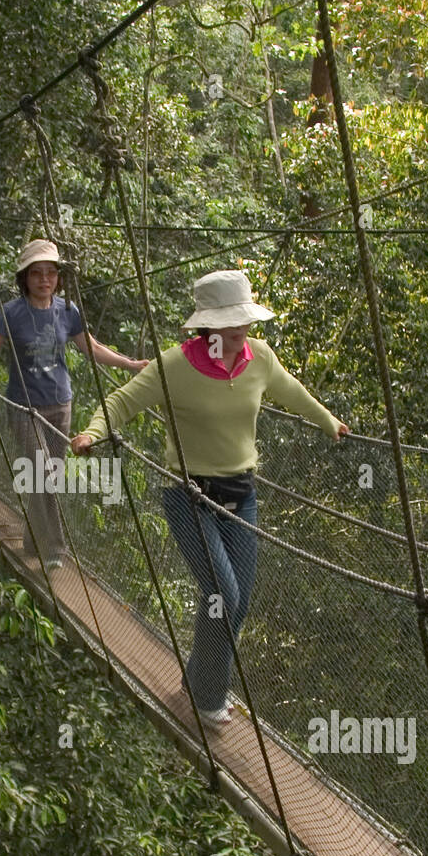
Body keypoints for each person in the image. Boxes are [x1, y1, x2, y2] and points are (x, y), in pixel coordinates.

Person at [72, 269, 349, 727]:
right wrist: (92, 433)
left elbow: (292, 393)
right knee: (222, 591)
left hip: (242, 494)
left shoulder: (259, 356)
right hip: (190, 494)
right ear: (207, 326)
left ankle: (196, 680)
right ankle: (208, 699)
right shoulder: (175, 366)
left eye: (243, 320)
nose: (240, 329)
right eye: (229, 321)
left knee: (235, 602)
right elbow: (119, 402)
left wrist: (329, 422)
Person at [0, 239, 148, 568]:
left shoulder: (67, 311)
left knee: (45, 478)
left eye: (50, 273)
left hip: (61, 404)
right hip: (24, 407)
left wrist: (130, 364)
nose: (44, 279)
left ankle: (33, 541)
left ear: (58, 277)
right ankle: (54, 550)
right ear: (25, 278)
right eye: (36, 273)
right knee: (42, 474)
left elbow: (91, 348)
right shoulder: (11, 313)